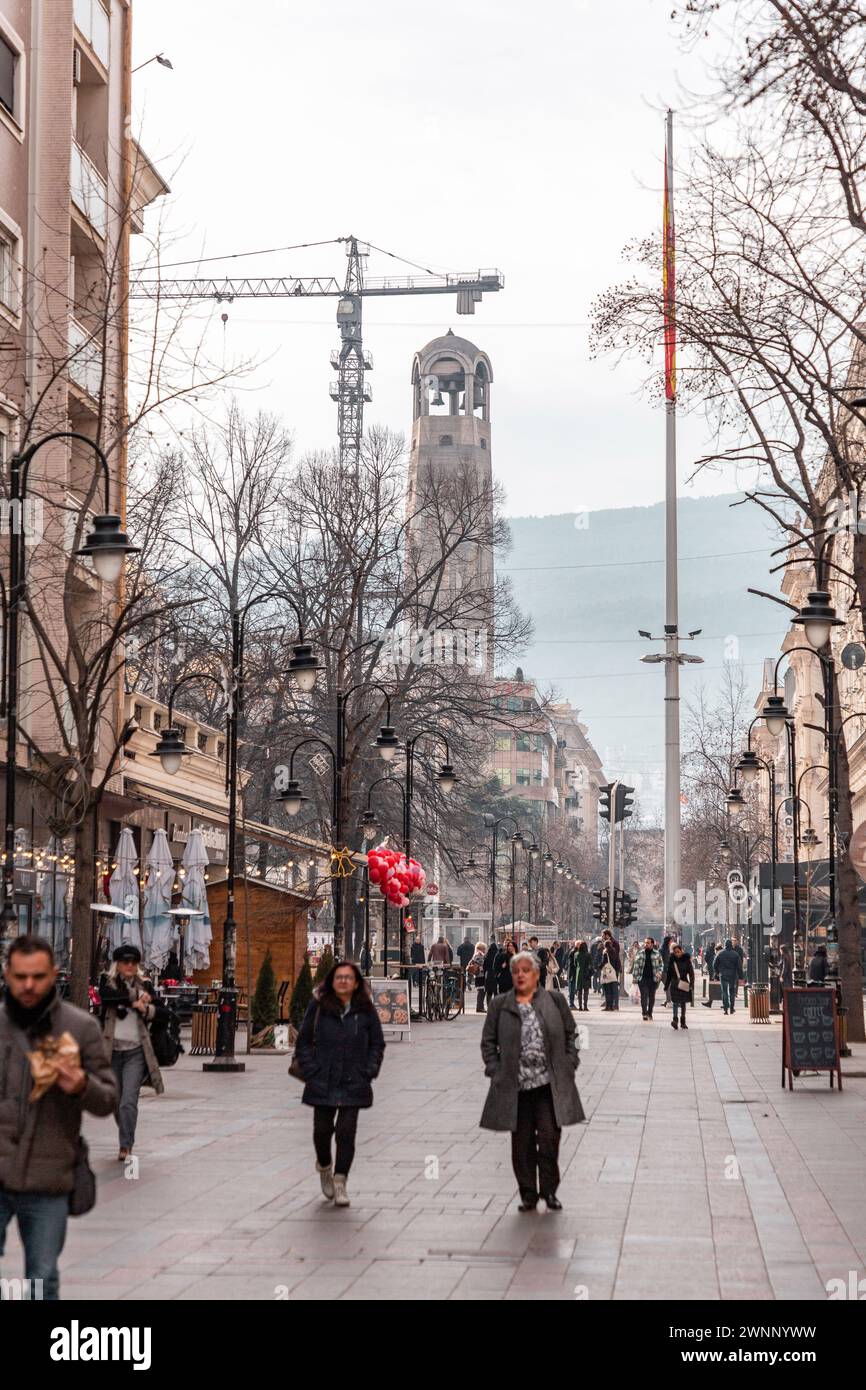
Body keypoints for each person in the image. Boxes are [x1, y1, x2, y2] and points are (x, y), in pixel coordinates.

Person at [0, 935, 117, 1301]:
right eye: (20, 976)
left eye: (37, 976)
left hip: (48, 1175)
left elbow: (108, 1098)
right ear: (7, 974)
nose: (29, 985)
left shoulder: (80, 1027)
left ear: (53, 974)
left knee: (42, 1276)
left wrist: (81, 1084)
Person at [480, 950, 585, 1212]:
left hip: (549, 1085)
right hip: (516, 1086)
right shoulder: (500, 1004)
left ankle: (549, 1191)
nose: (520, 975)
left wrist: (569, 1064)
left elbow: (572, 1034)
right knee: (522, 1142)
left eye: (526, 971)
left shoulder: (555, 1001)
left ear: (537, 974)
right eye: (516, 971)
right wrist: (495, 1070)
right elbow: (488, 1042)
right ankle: (528, 1193)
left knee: (549, 1139)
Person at [295, 960, 385, 1208]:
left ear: (356, 983)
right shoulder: (319, 1006)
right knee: (322, 1131)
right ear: (331, 982)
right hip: (322, 1078)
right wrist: (312, 1070)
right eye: (339, 977)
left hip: (354, 1079)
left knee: (346, 1133)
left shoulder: (365, 1009)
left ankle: (340, 1181)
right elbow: (303, 1041)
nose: (343, 981)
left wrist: (369, 1070)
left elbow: (377, 1043)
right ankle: (324, 1166)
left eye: (348, 977)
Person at [98, 944, 167, 1160]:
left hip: (136, 1052)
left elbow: (164, 1013)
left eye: (133, 962)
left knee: (128, 1101)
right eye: (125, 962)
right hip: (112, 1051)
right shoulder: (107, 982)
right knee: (117, 1102)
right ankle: (125, 1134)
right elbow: (108, 997)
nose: (129, 965)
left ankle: (126, 1145)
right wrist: (135, 996)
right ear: (117, 964)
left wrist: (146, 1008)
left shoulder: (146, 984)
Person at [632, 935, 663, 1020]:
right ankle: (644, 1013)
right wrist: (635, 977)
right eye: (645, 943)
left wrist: (659, 973)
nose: (646, 944)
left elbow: (661, 965)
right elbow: (636, 965)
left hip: (653, 979)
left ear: (652, 944)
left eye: (648, 943)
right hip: (642, 978)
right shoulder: (640, 953)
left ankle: (650, 1013)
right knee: (644, 996)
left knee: (652, 996)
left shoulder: (657, 954)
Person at [665, 942, 695, 1030]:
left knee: (683, 1003)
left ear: (681, 951)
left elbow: (691, 973)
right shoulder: (672, 961)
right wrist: (666, 986)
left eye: (678, 952)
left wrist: (692, 984)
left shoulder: (686, 960)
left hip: (684, 983)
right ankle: (675, 1020)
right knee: (675, 1003)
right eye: (675, 952)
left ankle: (683, 1022)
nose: (677, 954)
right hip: (675, 984)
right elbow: (669, 975)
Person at [714, 938, 744, 1014]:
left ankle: (725, 1008)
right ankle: (732, 1008)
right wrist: (741, 976)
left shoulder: (720, 953)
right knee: (732, 991)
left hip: (723, 974)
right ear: (731, 945)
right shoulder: (735, 954)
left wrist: (717, 972)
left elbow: (715, 964)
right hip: (732, 975)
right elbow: (739, 966)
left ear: (725, 945)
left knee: (724, 991)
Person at [599, 931, 621, 1010]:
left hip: (611, 969)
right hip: (612, 969)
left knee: (611, 987)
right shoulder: (605, 943)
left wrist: (599, 966)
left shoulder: (613, 943)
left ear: (607, 935)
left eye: (603, 935)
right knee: (610, 987)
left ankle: (613, 1004)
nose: (602, 936)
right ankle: (611, 1005)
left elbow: (614, 957)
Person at [570, 940, 591, 1011]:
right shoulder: (588, 955)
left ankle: (580, 1006)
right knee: (586, 990)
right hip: (586, 974)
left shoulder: (576, 954)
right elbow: (591, 964)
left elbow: (574, 964)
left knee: (579, 990)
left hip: (578, 974)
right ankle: (585, 1006)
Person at [468, 942, 487, 1012]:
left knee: (481, 991)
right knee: (481, 992)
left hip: (479, 975)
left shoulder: (476, 954)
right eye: (484, 948)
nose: (485, 949)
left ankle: (480, 1007)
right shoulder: (479, 954)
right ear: (481, 948)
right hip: (480, 975)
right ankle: (479, 1007)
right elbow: (481, 962)